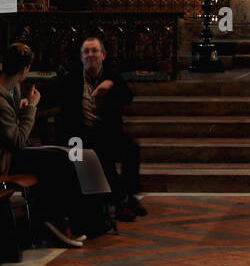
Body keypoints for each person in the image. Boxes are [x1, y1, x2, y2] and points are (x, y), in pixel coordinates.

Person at [0, 40, 88, 248]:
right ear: (25, 69)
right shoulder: (2, 99)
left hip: (9, 154)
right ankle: (53, 221)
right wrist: (31, 108)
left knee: (57, 157)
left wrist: (24, 109)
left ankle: (52, 221)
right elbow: (17, 142)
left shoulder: (10, 90)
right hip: (5, 160)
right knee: (57, 161)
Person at [55, 35, 145, 223]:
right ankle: (120, 202)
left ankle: (128, 195)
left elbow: (128, 97)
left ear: (103, 55)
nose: (90, 55)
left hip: (108, 133)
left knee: (132, 149)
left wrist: (111, 86)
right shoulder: (72, 79)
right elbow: (50, 92)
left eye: (94, 50)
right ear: (81, 57)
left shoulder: (111, 77)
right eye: (86, 51)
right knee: (102, 155)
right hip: (80, 137)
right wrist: (29, 100)